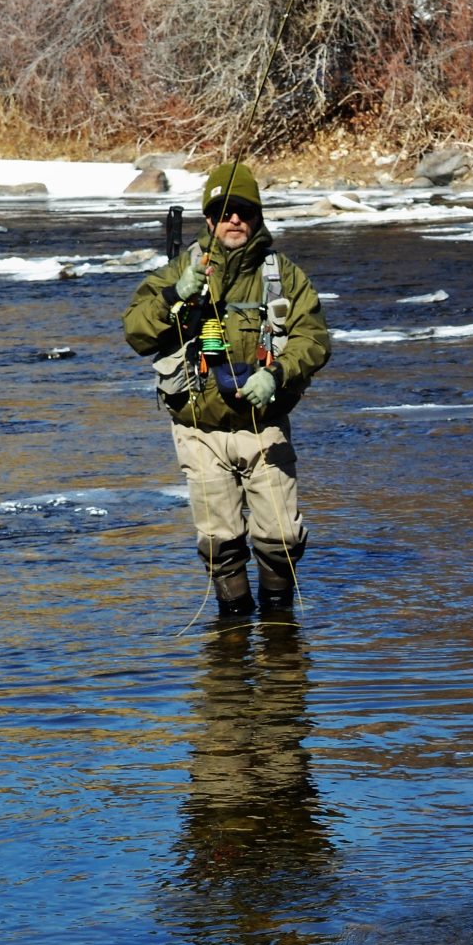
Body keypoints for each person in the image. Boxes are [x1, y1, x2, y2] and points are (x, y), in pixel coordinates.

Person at [125, 162, 331, 617]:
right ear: (209, 220)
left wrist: (277, 374)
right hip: (199, 427)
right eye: (223, 211)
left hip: (265, 423)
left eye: (243, 210)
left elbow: (314, 341)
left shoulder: (285, 275)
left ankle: (280, 624)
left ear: (257, 217)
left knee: (282, 539)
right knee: (221, 545)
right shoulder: (181, 270)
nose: (234, 220)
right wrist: (173, 296)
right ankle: (232, 634)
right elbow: (136, 333)